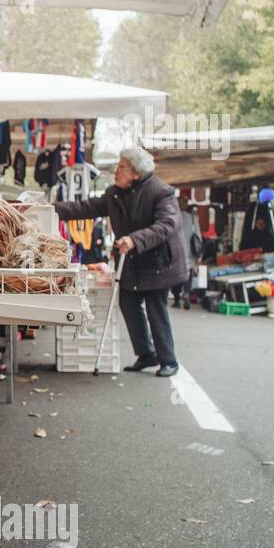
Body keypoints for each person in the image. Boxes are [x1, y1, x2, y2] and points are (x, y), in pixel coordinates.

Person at [53, 146, 188, 377]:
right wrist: (51, 209)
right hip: (132, 260)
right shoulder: (114, 193)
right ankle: (146, 354)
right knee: (128, 303)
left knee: (156, 308)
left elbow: (167, 225)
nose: (117, 171)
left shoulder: (161, 192)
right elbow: (86, 208)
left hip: (158, 261)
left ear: (136, 172)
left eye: (122, 167)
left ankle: (169, 360)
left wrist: (135, 239)